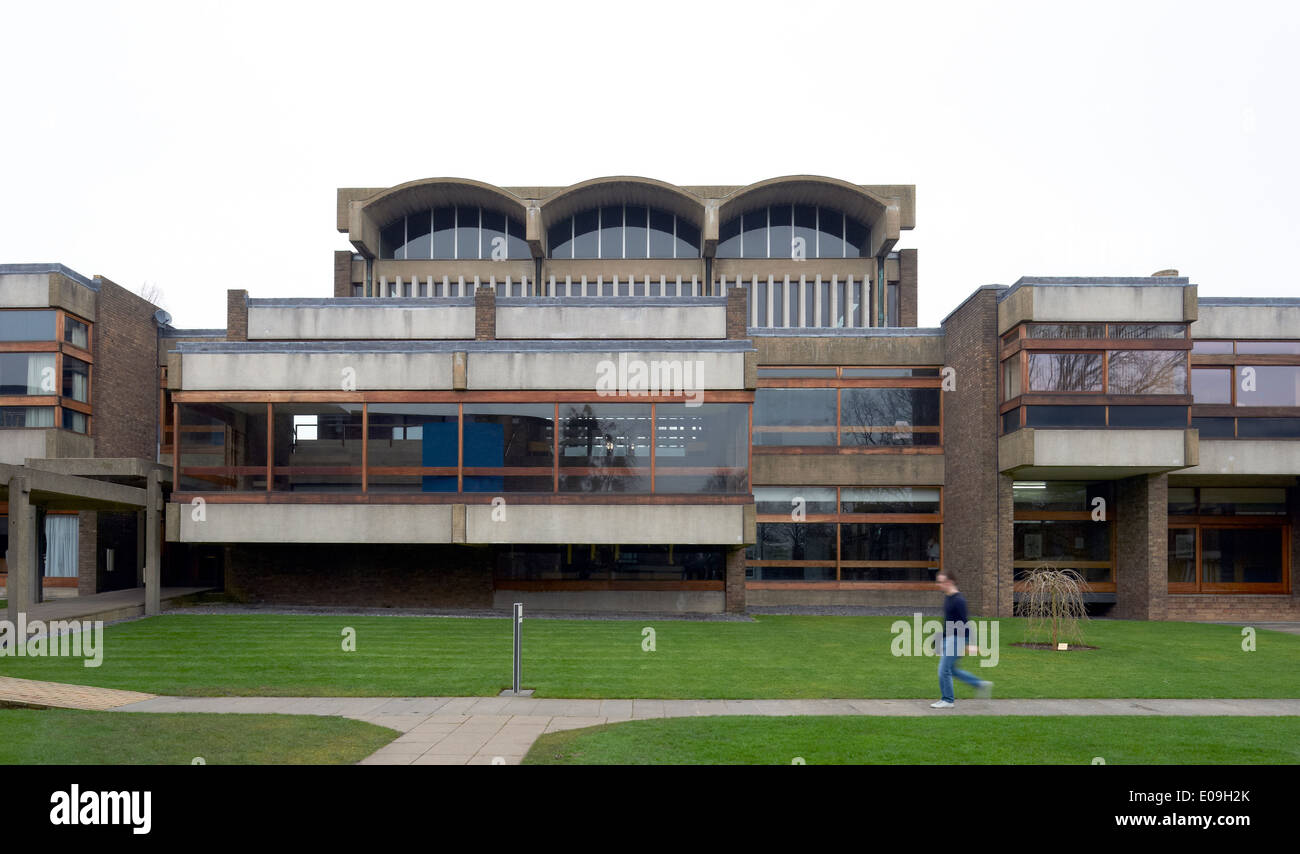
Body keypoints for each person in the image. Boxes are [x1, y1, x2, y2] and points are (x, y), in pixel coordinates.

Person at [930, 570, 992, 709]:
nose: (938, 585)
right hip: (949, 638)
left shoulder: (959, 600)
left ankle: (947, 700)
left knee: (943, 670)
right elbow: (948, 621)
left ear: (950, 582)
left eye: (941, 582)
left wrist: (970, 643)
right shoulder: (948, 597)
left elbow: (965, 622)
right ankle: (980, 684)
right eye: (938, 581)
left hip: (957, 639)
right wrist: (939, 641)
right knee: (953, 670)